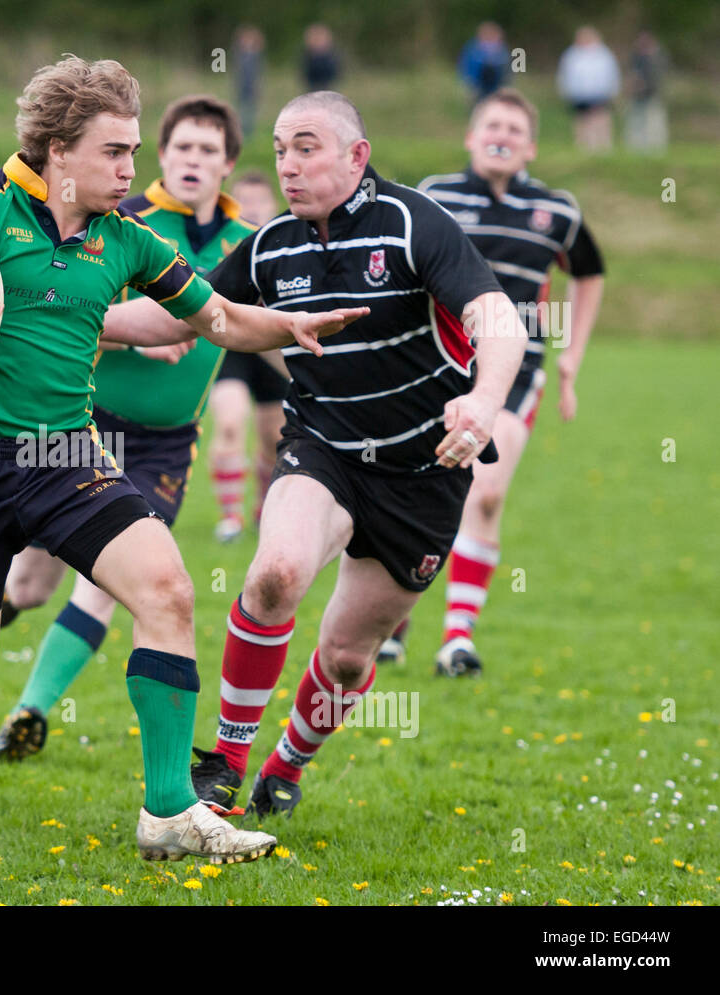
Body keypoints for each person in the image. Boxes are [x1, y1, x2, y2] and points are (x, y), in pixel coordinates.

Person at [0, 57, 365, 861]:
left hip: (67, 452)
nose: (133, 170)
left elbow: (217, 318)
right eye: (115, 152)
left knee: (166, 587)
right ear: (59, 152)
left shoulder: (127, 237)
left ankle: (168, 812)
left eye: (134, 151)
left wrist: (287, 327)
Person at [167, 90, 528, 821]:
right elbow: (185, 310)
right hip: (323, 447)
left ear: (356, 156)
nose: (289, 166)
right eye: (278, 150)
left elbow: (498, 320)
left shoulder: (412, 223)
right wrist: (70, 311)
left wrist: (485, 402)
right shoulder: (272, 244)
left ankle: (284, 763)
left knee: (346, 657)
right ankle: (228, 761)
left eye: (307, 147)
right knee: (274, 575)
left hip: (425, 473)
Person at [0, 94, 258, 763]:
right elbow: (56, 315)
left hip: (166, 443)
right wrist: (139, 337)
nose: (194, 160)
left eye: (209, 150)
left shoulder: (245, 243)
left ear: (229, 164)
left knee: (112, 587)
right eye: (183, 148)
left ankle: (30, 711)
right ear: (161, 156)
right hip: (85, 424)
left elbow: (253, 329)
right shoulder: (121, 218)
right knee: (27, 585)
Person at [415, 88, 604, 676]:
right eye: (491, 125)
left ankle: (456, 638)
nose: (502, 135)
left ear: (531, 146)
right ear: (471, 136)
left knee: (487, 490)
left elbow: (590, 273)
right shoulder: (434, 197)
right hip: (437, 365)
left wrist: (572, 357)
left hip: (517, 371)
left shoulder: (557, 212)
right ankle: (392, 621)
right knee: (415, 489)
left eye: (514, 130)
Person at [209, 171, 290, 543]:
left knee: (275, 440)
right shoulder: (220, 242)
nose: (253, 209)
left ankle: (262, 509)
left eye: (260, 201)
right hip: (232, 349)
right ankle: (230, 518)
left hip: (273, 349)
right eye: (244, 201)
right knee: (229, 422)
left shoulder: (286, 245)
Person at [557, 26, 620, 152]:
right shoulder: (572, 54)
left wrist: (612, 91)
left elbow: (612, 74)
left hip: (600, 93)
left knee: (600, 120)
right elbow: (565, 75)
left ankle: (602, 147)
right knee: (581, 121)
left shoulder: (603, 54)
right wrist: (566, 91)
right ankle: (583, 147)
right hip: (579, 95)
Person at [626, 31, 668, 152]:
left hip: (653, 95)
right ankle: (636, 148)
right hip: (637, 95)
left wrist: (645, 85)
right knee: (636, 122)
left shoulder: (658, 57)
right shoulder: (636, 57)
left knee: (654, 122)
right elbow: (631, 74)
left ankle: (655, 148)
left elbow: (659, 77)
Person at [458, 22, 511, 104]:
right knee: (477, 104)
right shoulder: (473, 48)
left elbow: (506, 70)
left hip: (495, 86)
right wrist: (468, 81)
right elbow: (466, 65)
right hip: (477, 84)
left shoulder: (501, 50)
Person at [302, 24, 340, 92]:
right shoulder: (308, 56)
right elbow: (307, 74)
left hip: (327, 87)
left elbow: (333, 73)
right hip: (312, 89)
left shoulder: (330, 56)